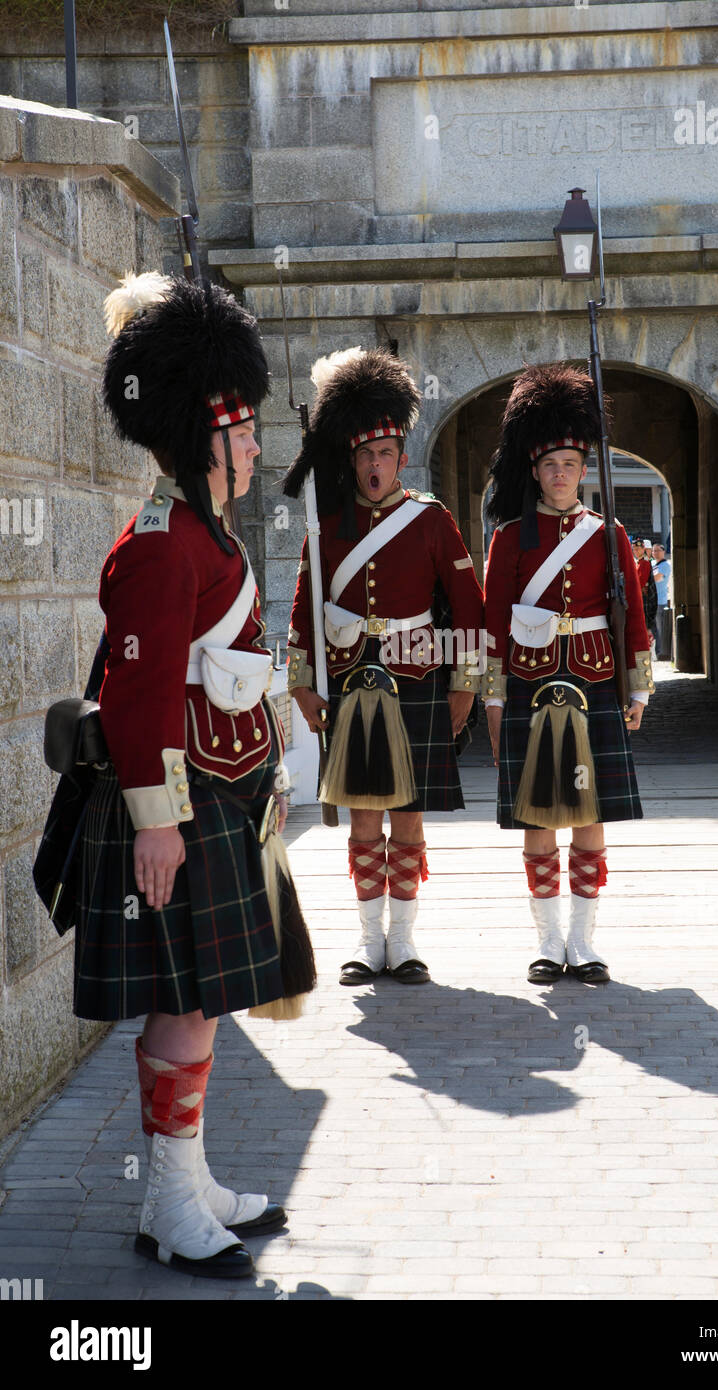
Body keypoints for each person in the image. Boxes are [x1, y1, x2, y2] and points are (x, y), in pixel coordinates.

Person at [71, 273, 316, 1279]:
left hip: (225, 793)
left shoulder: (207, 534)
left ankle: (191, 1176)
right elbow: (135, 697)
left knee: (203, 997)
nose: (258, 445)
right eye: (244, 428)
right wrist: (158, 825)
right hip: (182, 807)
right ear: (201, 436)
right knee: (184, 997)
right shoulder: (165, 548)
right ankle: (169, 1199)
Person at [283, 348, 484, 985]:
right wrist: (301, 684)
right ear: (353, 459)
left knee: (409, 817)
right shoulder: (330, 524)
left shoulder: (431, 520)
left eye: (386, 454)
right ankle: (369, 944)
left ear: (402, 456)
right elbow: (304, 604)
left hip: (417, 680)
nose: (375, 466)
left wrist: (465, 685)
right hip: (348, 684)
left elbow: (470, 608)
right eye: (365, 455)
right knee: (364, 821)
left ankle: (404, 943)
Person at [483, 363, 654, 984]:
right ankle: (548, 943)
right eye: (549, 465)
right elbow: (493, 625)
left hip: (594, 683)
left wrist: (637, 686)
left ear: (584, 472)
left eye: (570, 466)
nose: (559, 475)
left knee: (590, 813)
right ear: (535, 471)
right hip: (530, 684)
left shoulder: (610, 535)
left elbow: (631, 615)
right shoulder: (509, 539)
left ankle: (584, 944)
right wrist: (493, 702)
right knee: (537, 816)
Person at [651, 543, 672, 658]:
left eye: (658, 550)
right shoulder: (652, 563)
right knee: (653, 629)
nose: (655, 553)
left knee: (660, 628)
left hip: (660, 601)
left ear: (663, 552)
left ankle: (663, 653)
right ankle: (658, 652)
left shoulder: (665, 565)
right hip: (651, 601)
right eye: (654, 551)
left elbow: (658, 578)